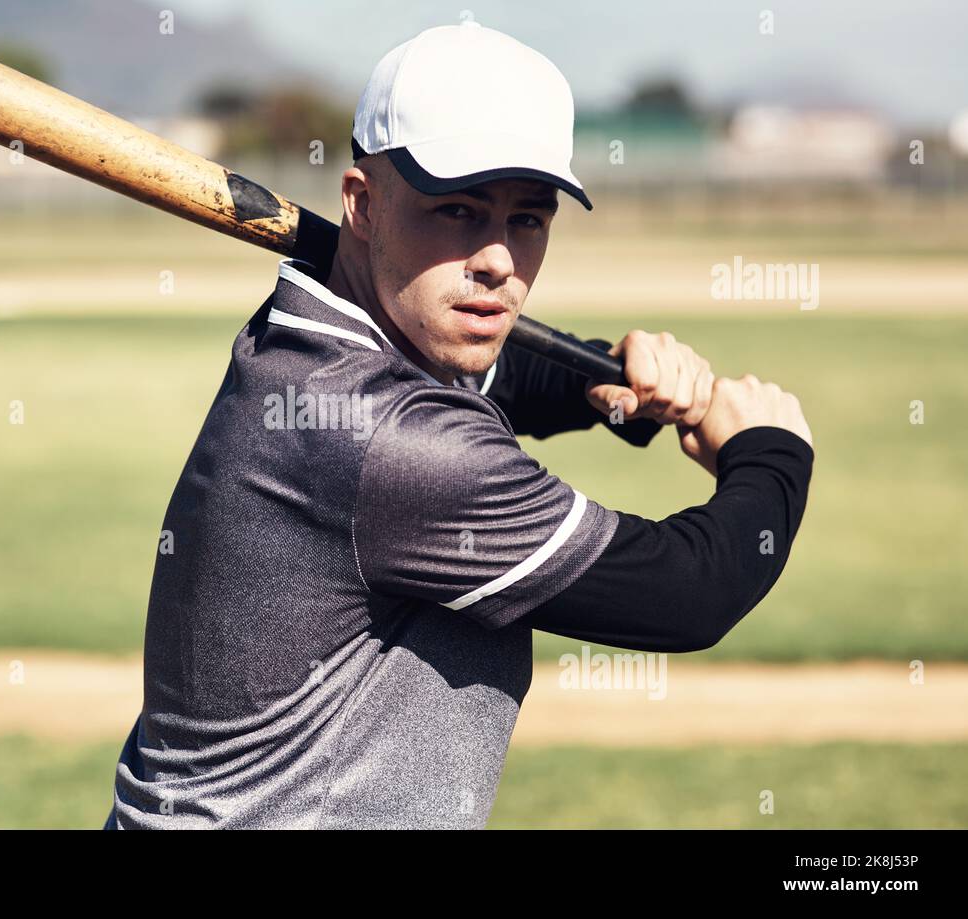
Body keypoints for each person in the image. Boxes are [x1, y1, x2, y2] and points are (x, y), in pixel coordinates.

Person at [105, 20, 814, 829]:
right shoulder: (392, 441)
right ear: (361, 203)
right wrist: (771, 452)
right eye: (457, 211)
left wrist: (606, 381)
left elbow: (494, 371)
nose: (499, 262)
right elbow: (687, 592)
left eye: (527, 219)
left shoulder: (312, 343)